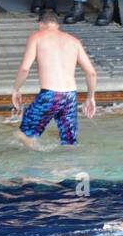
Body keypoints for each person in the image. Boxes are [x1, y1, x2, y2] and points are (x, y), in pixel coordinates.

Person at [11, 9, 97, 146]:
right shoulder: (74, 41)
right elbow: (91, 73)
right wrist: (90, 97)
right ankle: (69, 167)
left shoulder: (37, 36)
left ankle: (35, 166)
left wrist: (16, 89)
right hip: (70, 96)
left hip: (50, 95)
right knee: (69, 142)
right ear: (57, 25)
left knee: (24, 136)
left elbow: (24, 68)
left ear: (40, 24)